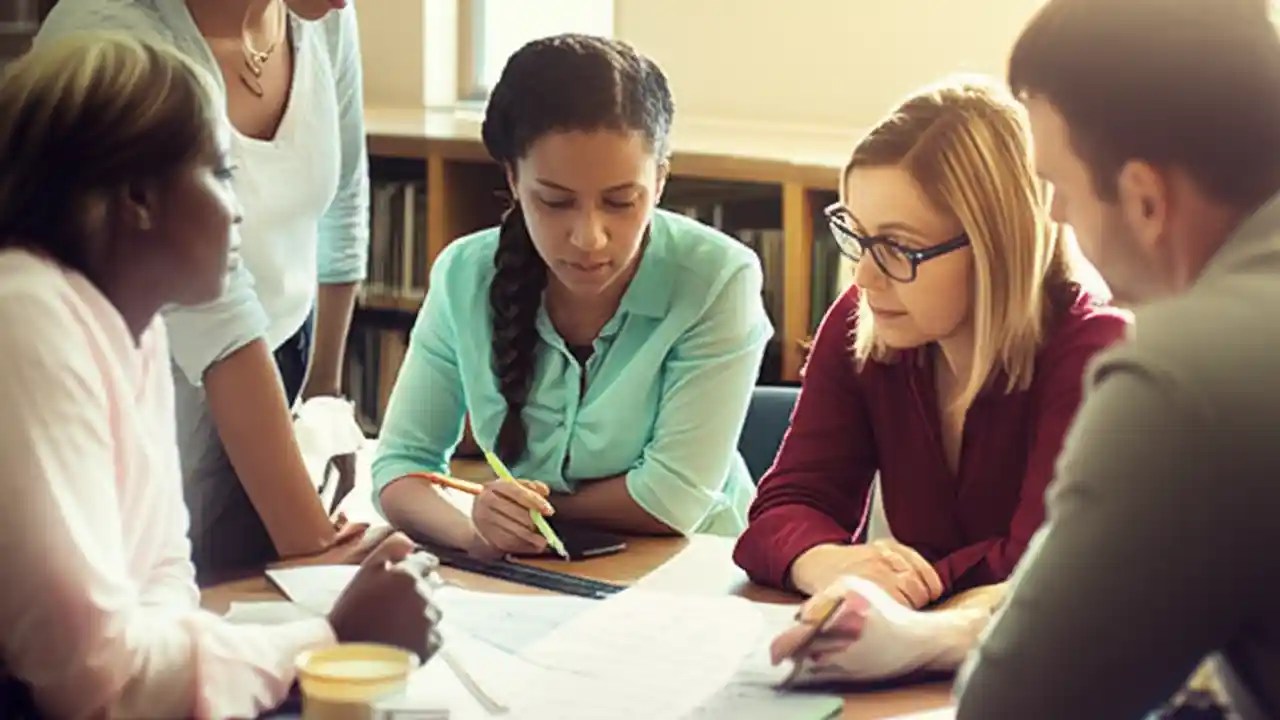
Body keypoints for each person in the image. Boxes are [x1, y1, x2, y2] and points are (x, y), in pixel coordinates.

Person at [0, 32, 437, 719]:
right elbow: (91, 676)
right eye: (224, 174)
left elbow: (163, 588)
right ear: (139, 198)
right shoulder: (26, 321)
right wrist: (328, 637)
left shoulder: (130, 328)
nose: (240, 211)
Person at [950, 1, 1280, 717]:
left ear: (1145, 201)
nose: (1056, 216)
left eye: (1059, 188)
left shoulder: (1187, 376)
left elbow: (1019, 708)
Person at [733, 77, 1130, 606]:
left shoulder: (1094, 351)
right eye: (859, 236)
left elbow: (1040, 566)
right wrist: (825, 562)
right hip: (916, 650)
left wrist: (896, 588)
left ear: (994, 249)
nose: (866, 277)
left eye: (899, 246)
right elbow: (782, 508)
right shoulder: (863, 322)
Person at [373, 34, 772, 556]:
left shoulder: (718, 277)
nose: (590, 237)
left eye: (621, 202)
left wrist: (527, 517)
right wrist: (478, 534)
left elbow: (673, 500)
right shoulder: (464, 274)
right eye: (555, 202)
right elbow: (401, 465)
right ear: (514, 180)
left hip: (694, 567)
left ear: (661, 181)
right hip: (533, 570)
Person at [39, 0, 373, 577]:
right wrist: (318, 550)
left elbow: (344, 197)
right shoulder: (111, 37)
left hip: (273, 368)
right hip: (145, 391)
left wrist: (323, 394)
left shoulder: (321, 16)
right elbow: (216, 312)